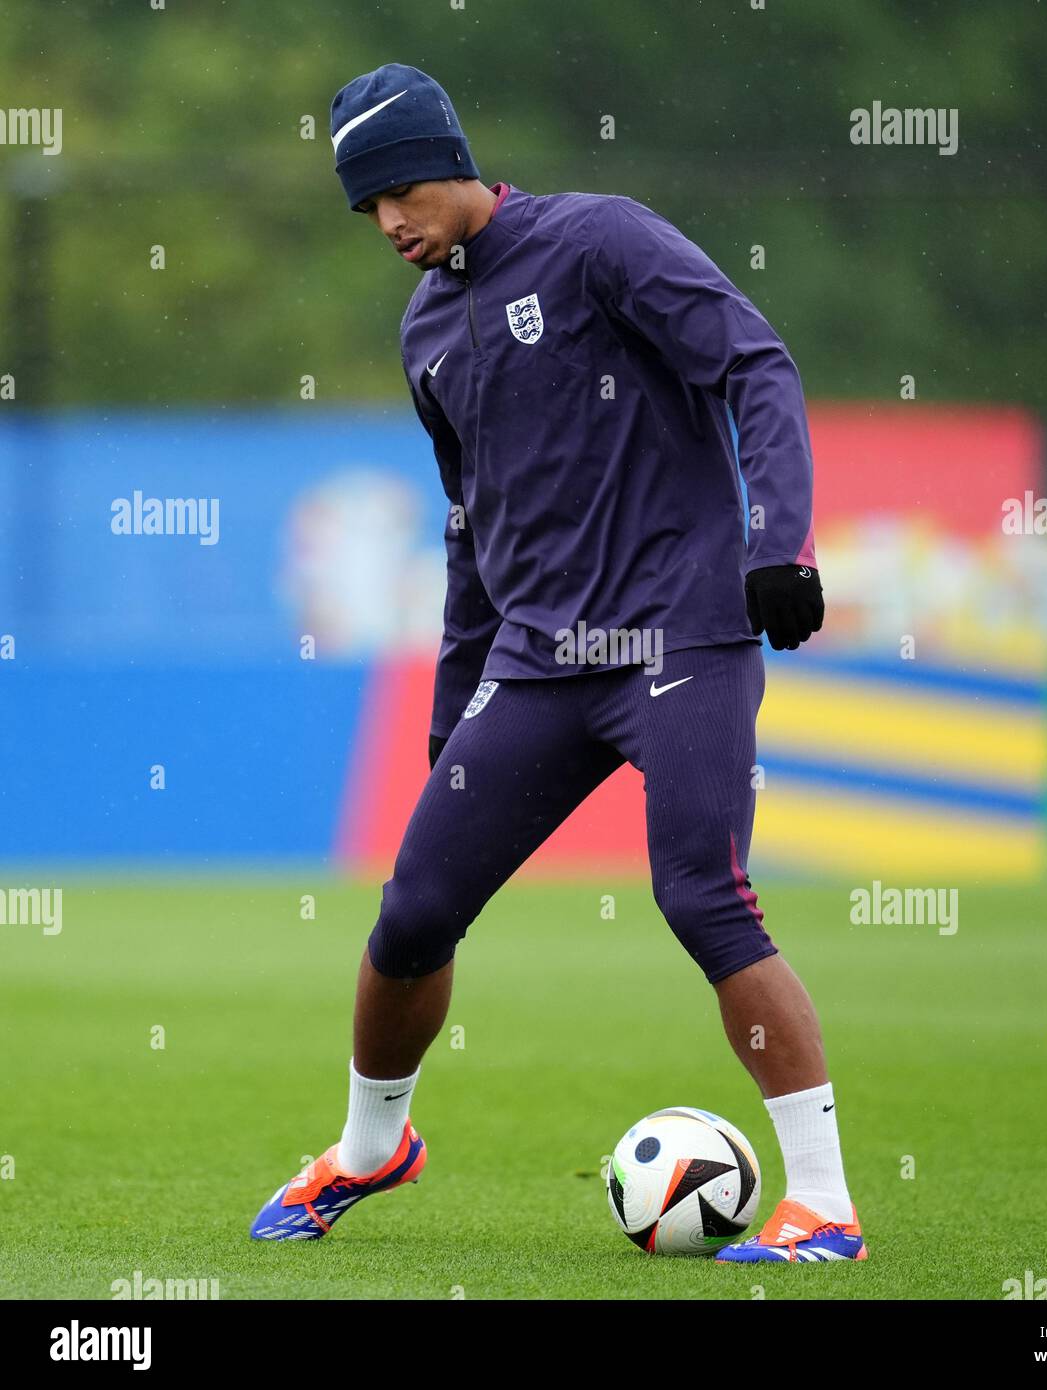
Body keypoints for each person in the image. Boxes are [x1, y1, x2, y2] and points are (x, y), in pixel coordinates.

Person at [251, 62, 865, 1265]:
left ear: (451, 161)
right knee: (412, 915)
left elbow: (756, 365)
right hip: (536, 664)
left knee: (700, 894)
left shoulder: (598, 242)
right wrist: (449, 714)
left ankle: (827, 1205)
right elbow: (471, 526)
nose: (388, 225)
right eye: (365, 208)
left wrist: (775, 544)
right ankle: (373, 1145)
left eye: (399, 194)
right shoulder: (426, 329)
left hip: (675, 635)